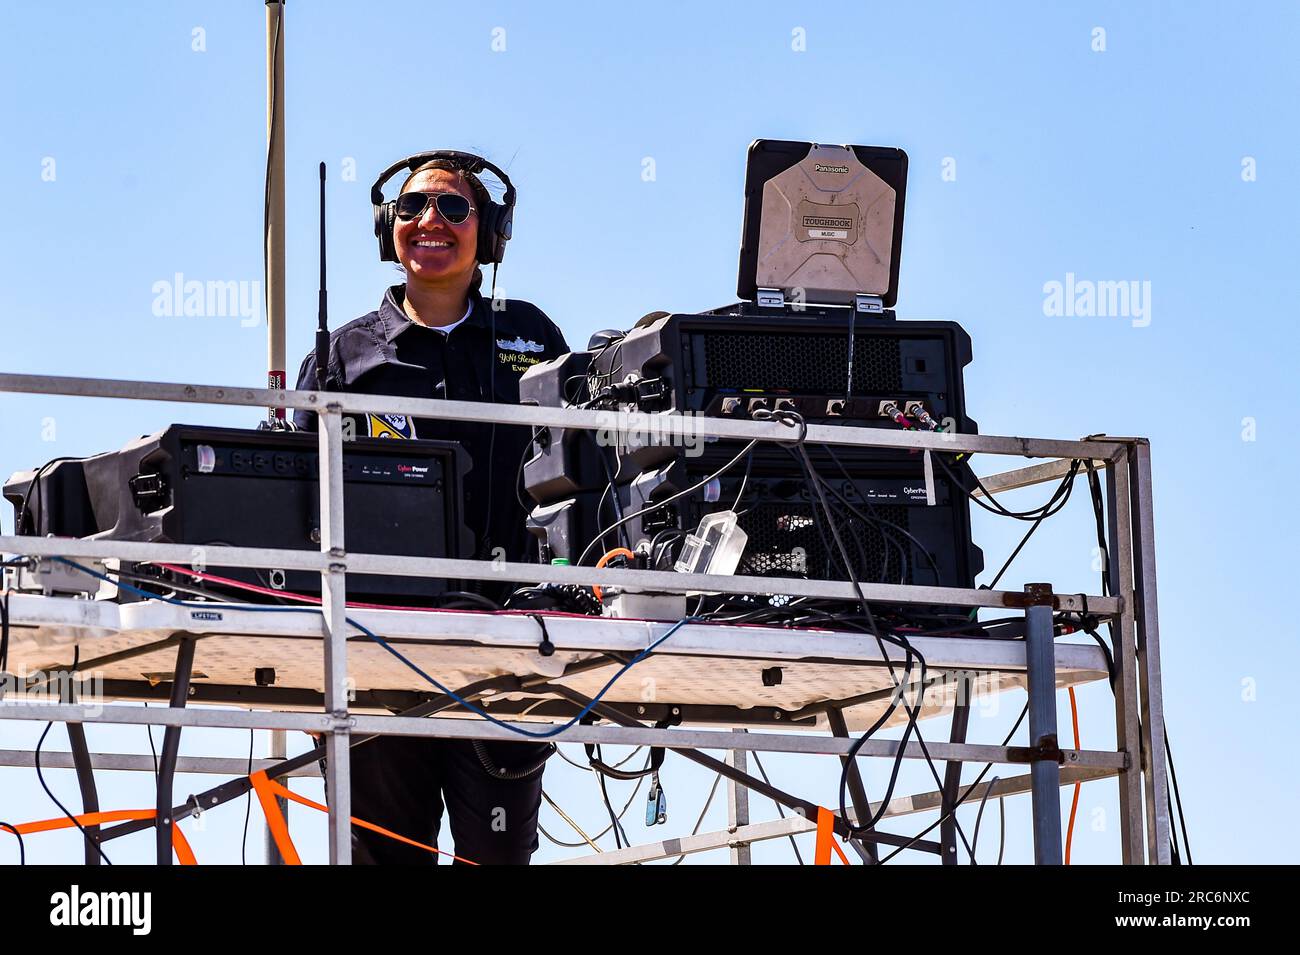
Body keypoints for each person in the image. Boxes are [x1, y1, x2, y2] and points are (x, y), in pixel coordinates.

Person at [293, 151, 568, 864]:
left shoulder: (534, 339)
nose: (430, 223)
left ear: (491, 231)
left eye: (453, 207)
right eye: (413, 208)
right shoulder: (339, 357)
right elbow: (295, 502)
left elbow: (581, 471)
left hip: (509, 646)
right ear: (388, 229)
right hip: (373, 646)